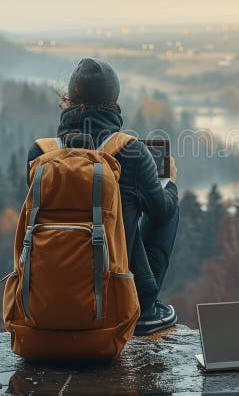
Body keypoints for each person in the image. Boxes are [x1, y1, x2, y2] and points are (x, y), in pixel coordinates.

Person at [26, 58, 180, 335]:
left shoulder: (41, 154)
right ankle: (144, 309)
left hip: (48, 299)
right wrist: (170, 185)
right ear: (114, 101)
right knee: (168, 205)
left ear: (69, 98)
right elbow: (161, 213)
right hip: (117, 300)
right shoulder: (130, 152)